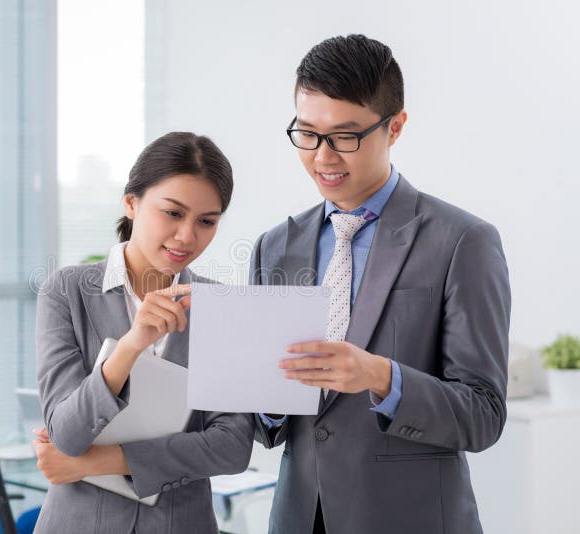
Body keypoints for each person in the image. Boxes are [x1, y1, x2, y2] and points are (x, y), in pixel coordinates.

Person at [252, 35, 511, 534]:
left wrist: (382, 378)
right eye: (307, 133)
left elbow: (483, 413)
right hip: (298, 519)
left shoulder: (463, 241)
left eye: (345, 136)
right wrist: (260, 393)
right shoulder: (275, 246)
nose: (323, 157)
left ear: (395, 127)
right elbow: (267, 423)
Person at [31, 131, 255, 533]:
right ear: (131, 203)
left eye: (206, 221)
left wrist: (102, 460)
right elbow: (66, 434)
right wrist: (130, 346)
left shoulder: (220, 305)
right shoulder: (67, 291)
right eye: (172, 212)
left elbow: (232, 447)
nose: (187, 236)